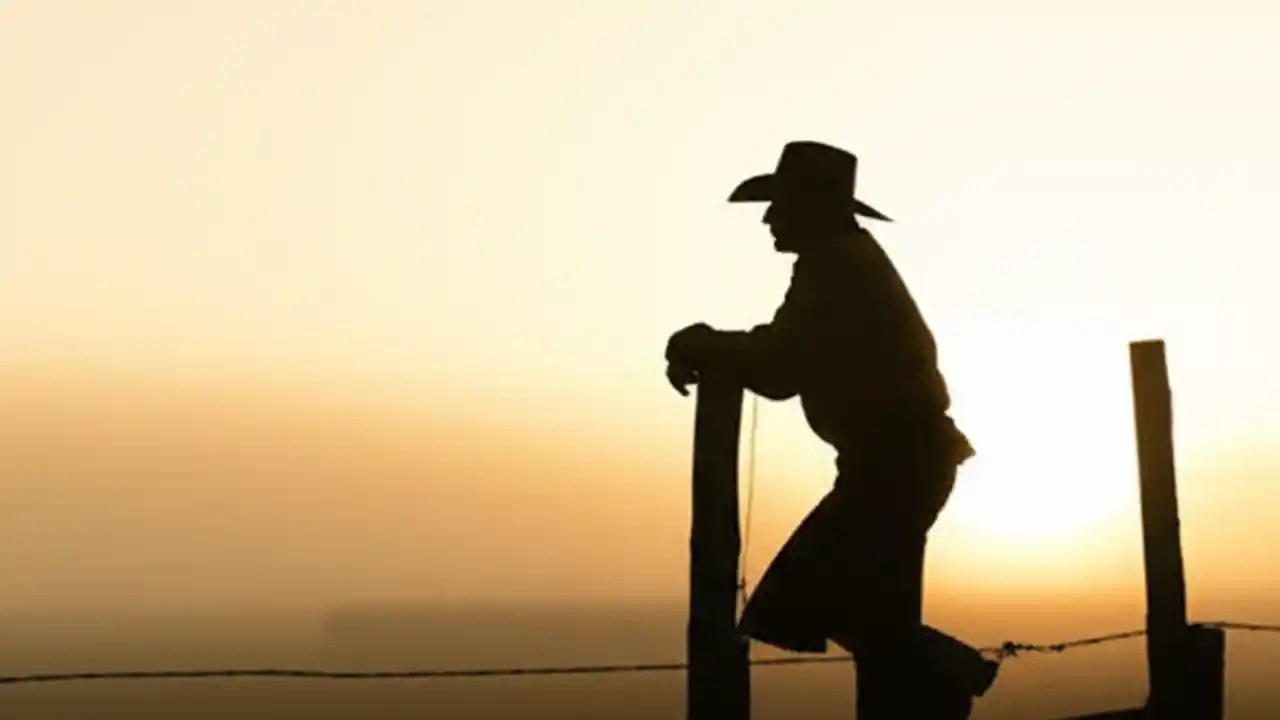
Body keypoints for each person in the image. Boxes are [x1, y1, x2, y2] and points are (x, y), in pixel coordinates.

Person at [665, 141, 999, 717]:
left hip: (892, 468)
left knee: (798, 603)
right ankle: (941, 684)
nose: (769, 218)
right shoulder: (843, 261)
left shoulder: (836, 266)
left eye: (779, 204)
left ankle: (953, 674)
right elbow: (785, 356)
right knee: (860, 614)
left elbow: (779, 366)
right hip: (899, 465)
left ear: (809, 207)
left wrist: (698, 343)